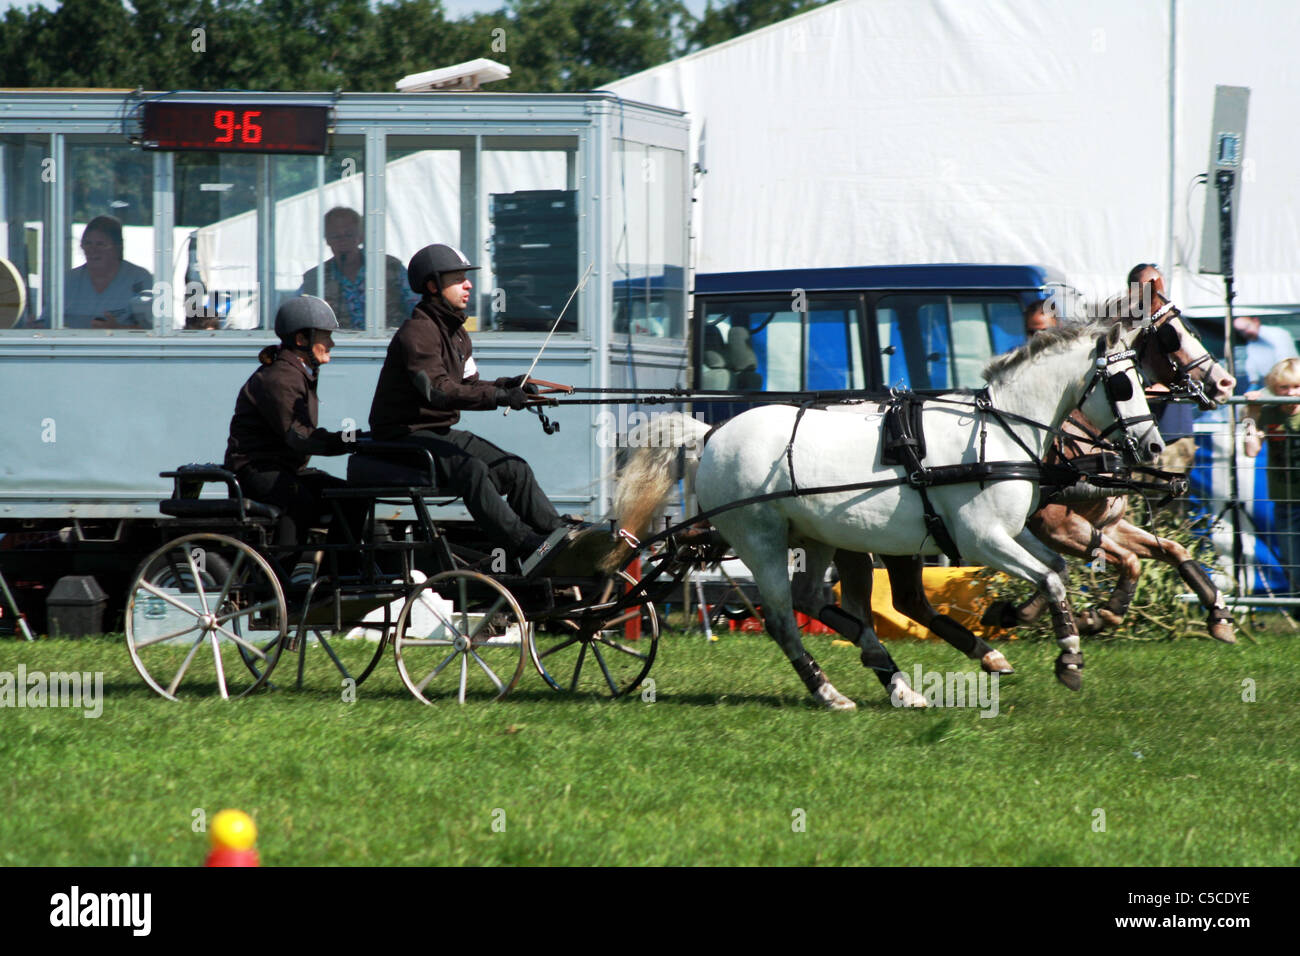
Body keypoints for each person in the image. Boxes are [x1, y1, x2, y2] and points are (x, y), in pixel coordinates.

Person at [369, 243, 589, 571]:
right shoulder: (417, 333)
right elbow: (439, 392)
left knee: (514, 467)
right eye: (458, 278)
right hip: (401, 439)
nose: (468, 284)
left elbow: (469, 385)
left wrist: (508, 386)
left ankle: (557, 533)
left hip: (437, 434)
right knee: (470, 469)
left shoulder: (457, 334)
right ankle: (524, 545)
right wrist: (499, 398)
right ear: (433, 286)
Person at [224, 296, 364, 574]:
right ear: (302, 339)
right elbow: (298, 436)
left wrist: (357, 440)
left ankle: (338, 578)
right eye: (326, 337)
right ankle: (276, 581)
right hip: (257, 470)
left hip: (284, 469)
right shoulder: (281, 378)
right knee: (299, 502)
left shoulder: (299, 373)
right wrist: (348, 441)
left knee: (353, 496)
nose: (332, 344)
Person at [299, 207, 416, 329]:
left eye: (349, 235)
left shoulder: (391, 268)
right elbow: (298, 316)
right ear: (327, 240)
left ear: (360, 237)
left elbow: (417, 308)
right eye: (335, 236)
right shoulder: (315, 279)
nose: (343, 241)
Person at [1243, 358, 1300, 594]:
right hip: (1286, 502)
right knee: (1294, 566)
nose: (1290, 394)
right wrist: (1252, 415)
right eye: (1283, 388)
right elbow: (1251, 450)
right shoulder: (1269, 411)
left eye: (1297, 387)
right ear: (1274, 389)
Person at [63, 216, 152, 329]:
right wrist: (34, 326)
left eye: (101, 244)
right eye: (87, 243)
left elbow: (153, 330)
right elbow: (46, 325)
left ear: (118, 247)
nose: (93, 250)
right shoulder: (68, 281)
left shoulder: (139, 279)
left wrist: (118, 330)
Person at [1234, 313, 1298, 392]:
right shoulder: (1252, 342)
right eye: (1241, 331)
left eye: (1247, 327)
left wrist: (1277, 378)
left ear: (1256, 321)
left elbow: (1284, 357)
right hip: (1271, 383)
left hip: (1287, 380)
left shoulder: (1277, 334)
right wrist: (1254, 382)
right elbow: (1251, 363)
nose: (1246, 332)